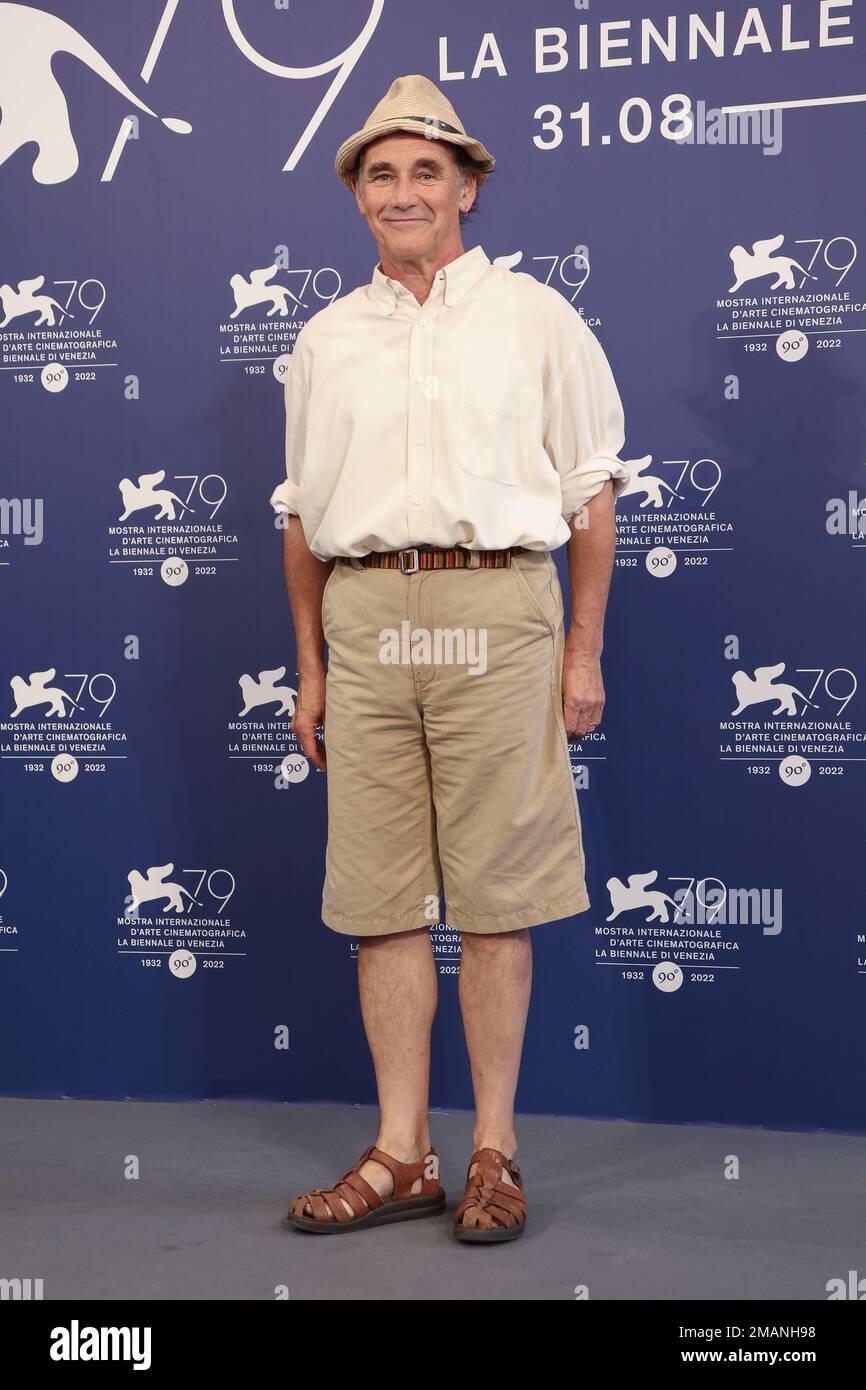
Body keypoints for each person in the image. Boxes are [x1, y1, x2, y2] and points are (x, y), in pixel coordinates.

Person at [270, 74, 629, 1243]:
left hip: (498, 611)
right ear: (358, 198)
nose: (403, 190)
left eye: (426, 170)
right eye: (381, 173)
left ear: (466, 187)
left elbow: (588, 493)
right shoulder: (324, 339)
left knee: (492, 899)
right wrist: (313, 671)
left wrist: (582, 653)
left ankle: (491, 1151)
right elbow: (299, 518)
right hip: (367, 621)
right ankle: (400, 1150)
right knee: (379, 899)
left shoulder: (536, 319)